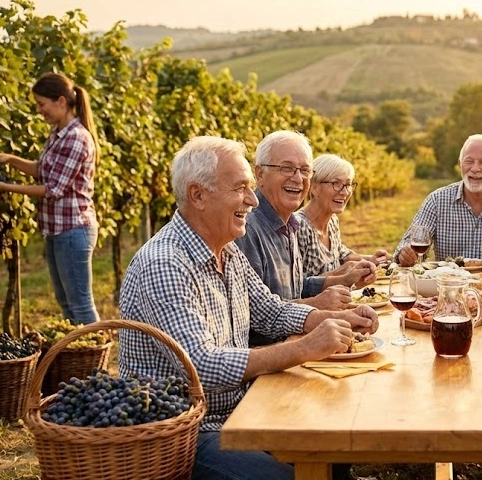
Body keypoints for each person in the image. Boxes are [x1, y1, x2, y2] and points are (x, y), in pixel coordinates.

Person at [118, 136, 379, 480]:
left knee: (336, 424)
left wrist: (331, 317)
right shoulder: (165, 263)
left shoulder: (225, 250)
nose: (253, 200)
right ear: (197, 195)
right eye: (240, 188)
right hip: (186, 432)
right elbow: (201, 365)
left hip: (239, 410)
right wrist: (304, 347)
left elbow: (270, 310)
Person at [234, 131, 377, 347]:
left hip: (297, 343)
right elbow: (253, 315)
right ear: (259, 174)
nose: (298, 178)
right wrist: (317, 305)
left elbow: (295, 287)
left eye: (304, 170)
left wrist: (339, 282)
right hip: (269, 363)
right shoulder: (246, 229)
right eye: (287, 168)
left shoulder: (290, 224)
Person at [0, 72, 100, 325]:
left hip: (73, 229)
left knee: (80, 304)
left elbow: (53, 188)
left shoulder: (76, 138)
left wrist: (6, 187)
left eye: (41, 104)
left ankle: (95, 362)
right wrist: (11, 159)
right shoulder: (58, 133)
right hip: (58, 229)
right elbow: (43, 170)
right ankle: (77, 358)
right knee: (66, 303)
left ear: (61, 101)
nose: (38, 110)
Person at [393, 134, 482, 267]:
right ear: (460, 164)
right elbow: (407, 244)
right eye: (469, 161)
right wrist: (405, 255)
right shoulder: (437, 200)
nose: (475, 169)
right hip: (448, 288)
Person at [296, 153, 392, 277]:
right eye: (336, 184)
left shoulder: (332, 221)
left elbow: (342, 255)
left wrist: (372, 260)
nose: (345, 192)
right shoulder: (298, 227)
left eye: (348, 184)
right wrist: (344, 274)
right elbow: (296, 287)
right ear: (314, 188)